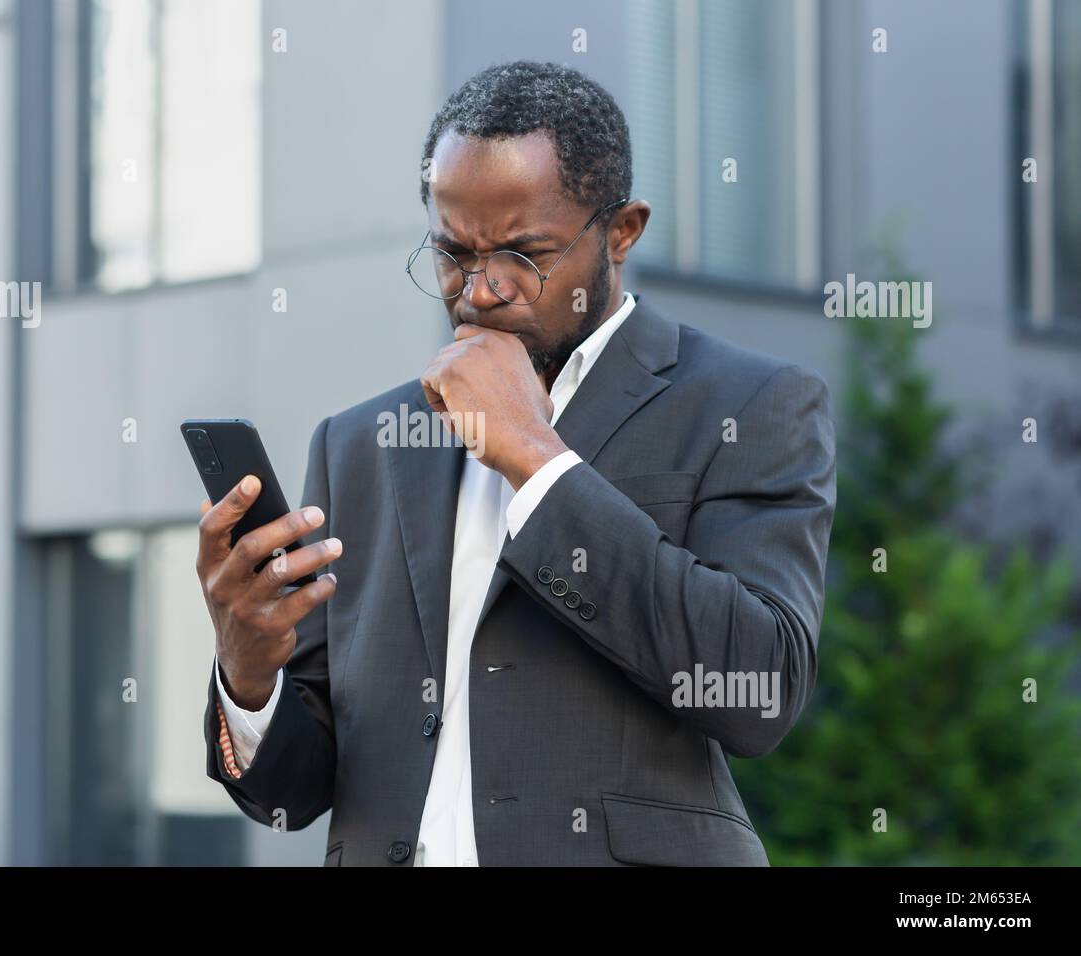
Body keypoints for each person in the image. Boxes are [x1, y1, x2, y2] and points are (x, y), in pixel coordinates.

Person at [197, 61, 836, 866]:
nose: (480, 291)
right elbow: (296, 796)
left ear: (622, 231)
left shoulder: (749, 405)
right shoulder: (361, 443)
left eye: (524, 255)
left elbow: (760, 690)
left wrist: (535, 458)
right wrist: (247, 675)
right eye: (452, 254)